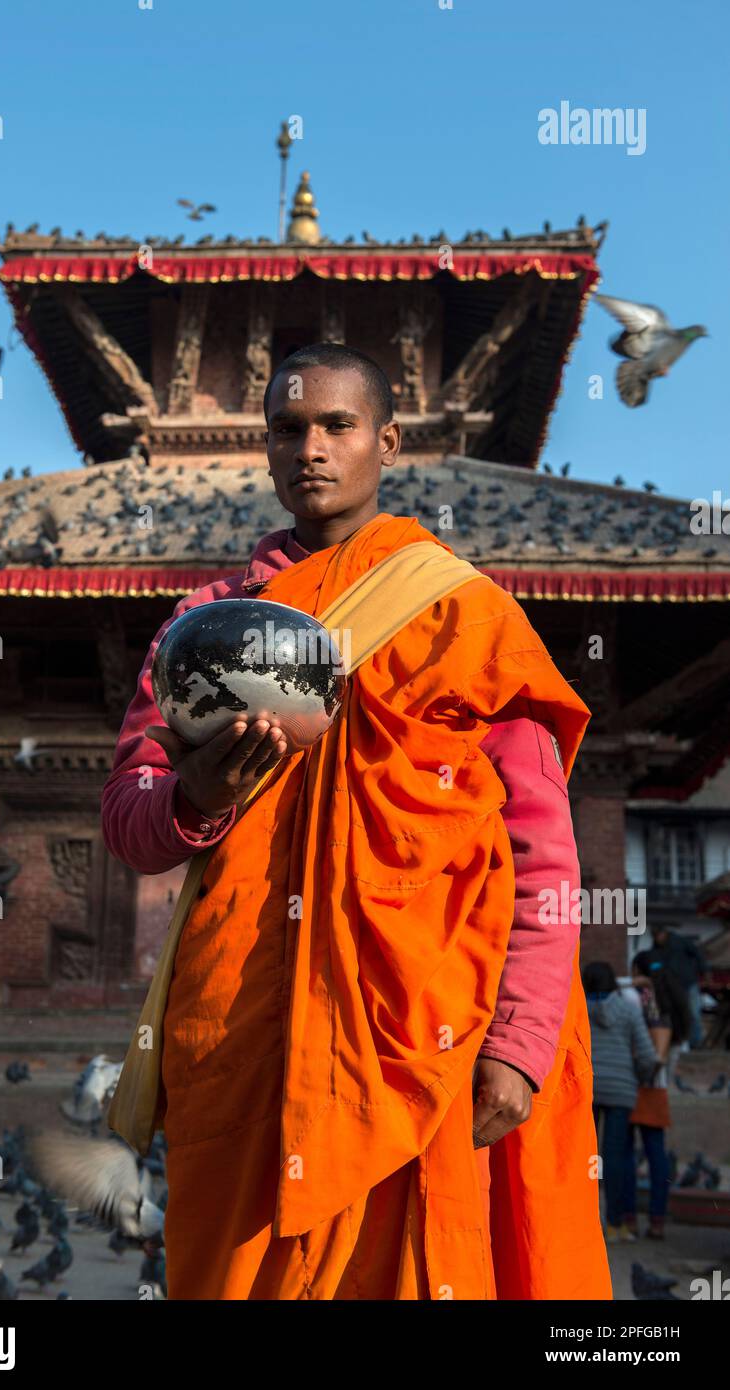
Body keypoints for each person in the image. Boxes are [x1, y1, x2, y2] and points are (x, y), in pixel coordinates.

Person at [102, 343, 612, 1300]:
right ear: (264, 449)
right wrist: (198, 798)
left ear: (387, 440)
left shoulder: (467, 616)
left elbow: (542, 853)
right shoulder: (205, 627)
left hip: (429, 1031)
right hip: (242, 1034)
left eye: (337, 426)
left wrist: (523, 1039)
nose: (313, 448)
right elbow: (130, 823)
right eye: (288, 430)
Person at [584, 960, 659, 1243]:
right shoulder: (628, 1010)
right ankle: (615, 1225)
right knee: (614, 1157)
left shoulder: (576, 1011)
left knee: (584, 1158)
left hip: (587, 1089)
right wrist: (638, 1077)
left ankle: (582, 1222)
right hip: (621, 1091)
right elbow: (648, 1055)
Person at [620, 953, 686, 1240]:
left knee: (624, 1155)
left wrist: (633, 983)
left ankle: (628, 1218)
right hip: (658, 1088)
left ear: (638, 971)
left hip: (632, 1083)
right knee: (657, 1155)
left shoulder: (641, 999)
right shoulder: (672, 1006)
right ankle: (657, 1219)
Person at [647, 926, 707, 1049]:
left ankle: (696, 1043)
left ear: (664, 933)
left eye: (658, 936)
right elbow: (655, 964)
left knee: (694, 1013)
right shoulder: (656, 949)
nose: (657, 939)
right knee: (676, 1013)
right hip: (672, 986)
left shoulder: (680, 941)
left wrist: (702, 969)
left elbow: (697, 953)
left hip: (688, 982)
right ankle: (681, 1041)